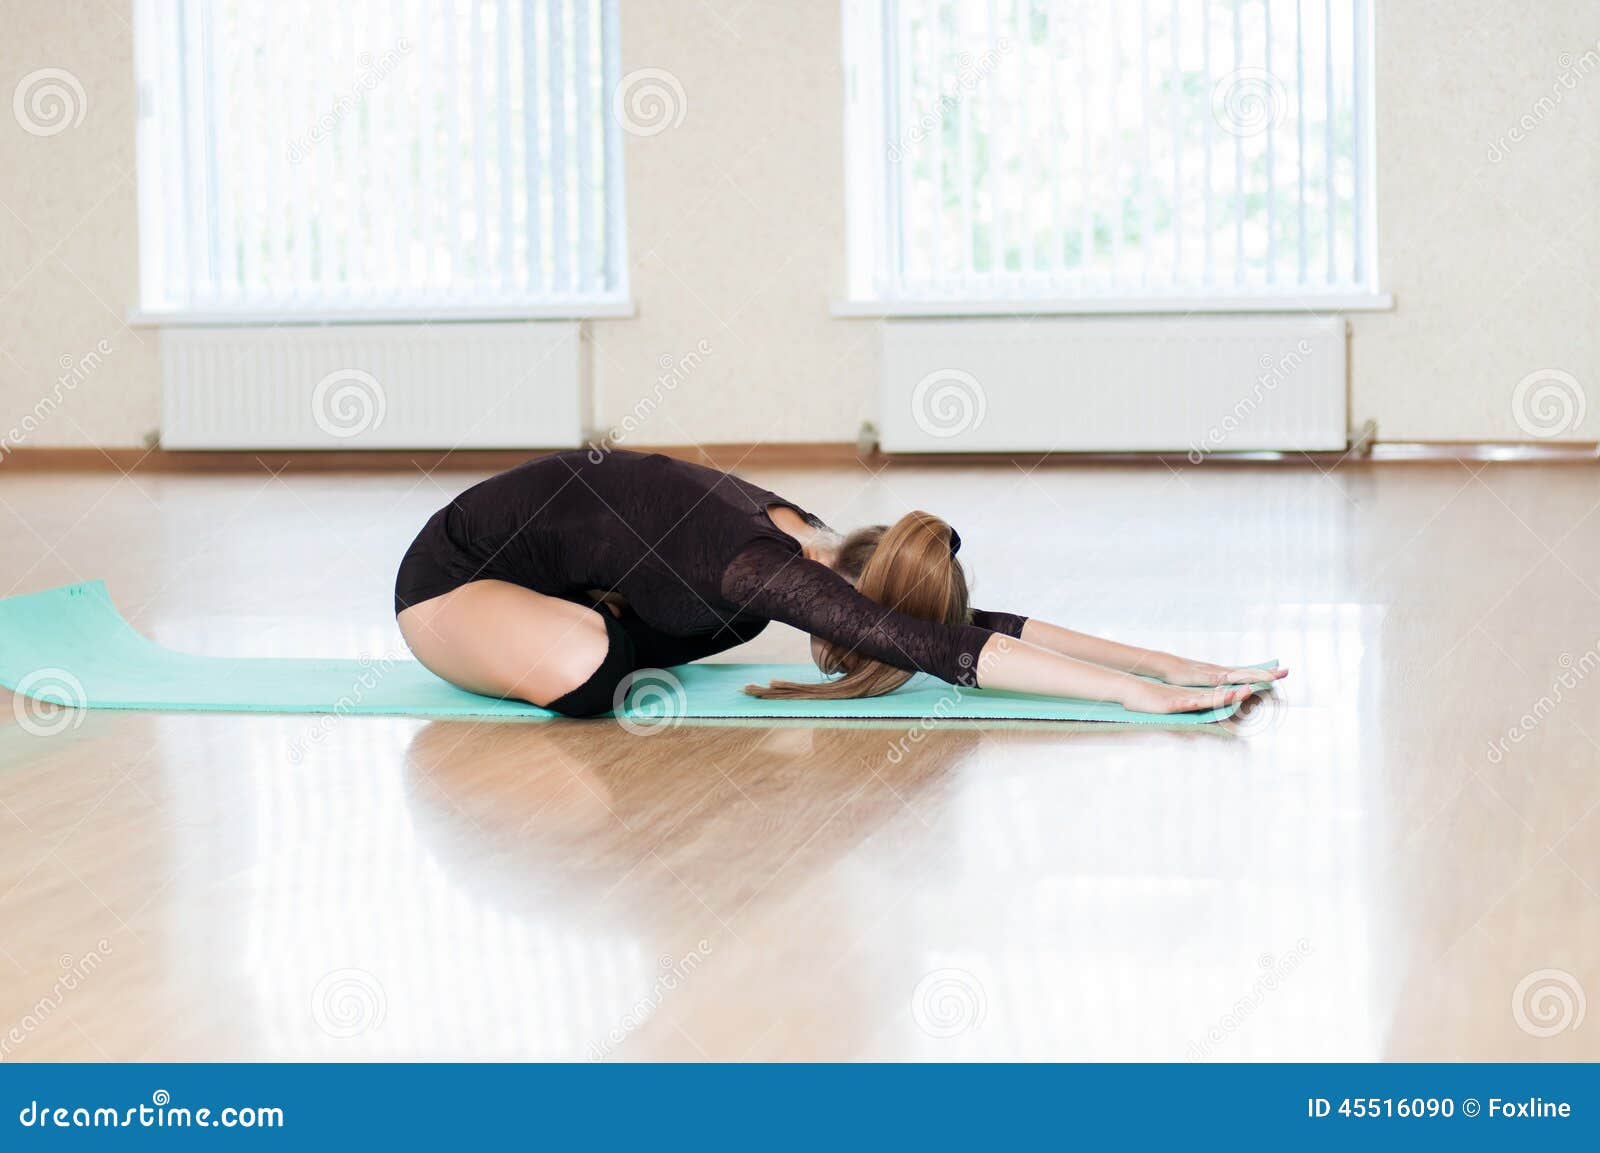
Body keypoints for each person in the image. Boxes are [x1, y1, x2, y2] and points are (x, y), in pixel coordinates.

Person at [395, 450, 1286, 717]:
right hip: (451, 584)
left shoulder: (818, 540)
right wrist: (1132, 699)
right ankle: (574, 623)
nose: (854, 639)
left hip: (567, 584)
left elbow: (977, 622)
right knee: (598, 670)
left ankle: (587, 617)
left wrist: (1179, 665)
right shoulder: (757, 562)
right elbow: (941, 648)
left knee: (623, 652)